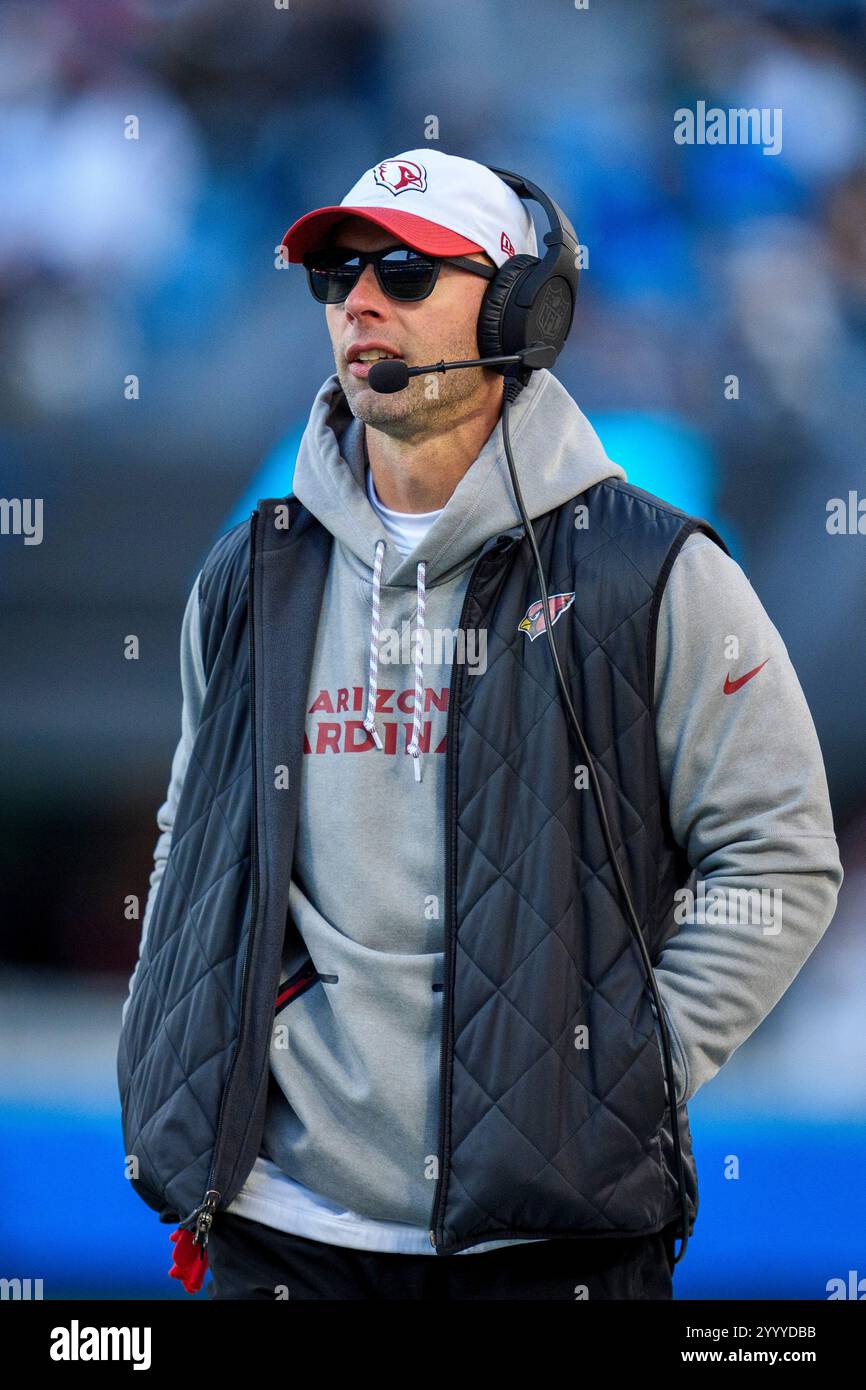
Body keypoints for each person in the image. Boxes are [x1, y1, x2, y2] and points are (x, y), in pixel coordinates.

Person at [117, 149, 843, 1301]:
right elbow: (190, 841)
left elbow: (778, 853)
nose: (358, 301)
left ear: (518, 312)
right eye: (335, 276)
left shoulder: (651, 573)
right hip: (276, 1228)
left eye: (403, 272)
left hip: (546, 1245)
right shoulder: (248, 574)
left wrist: (622, 1070)